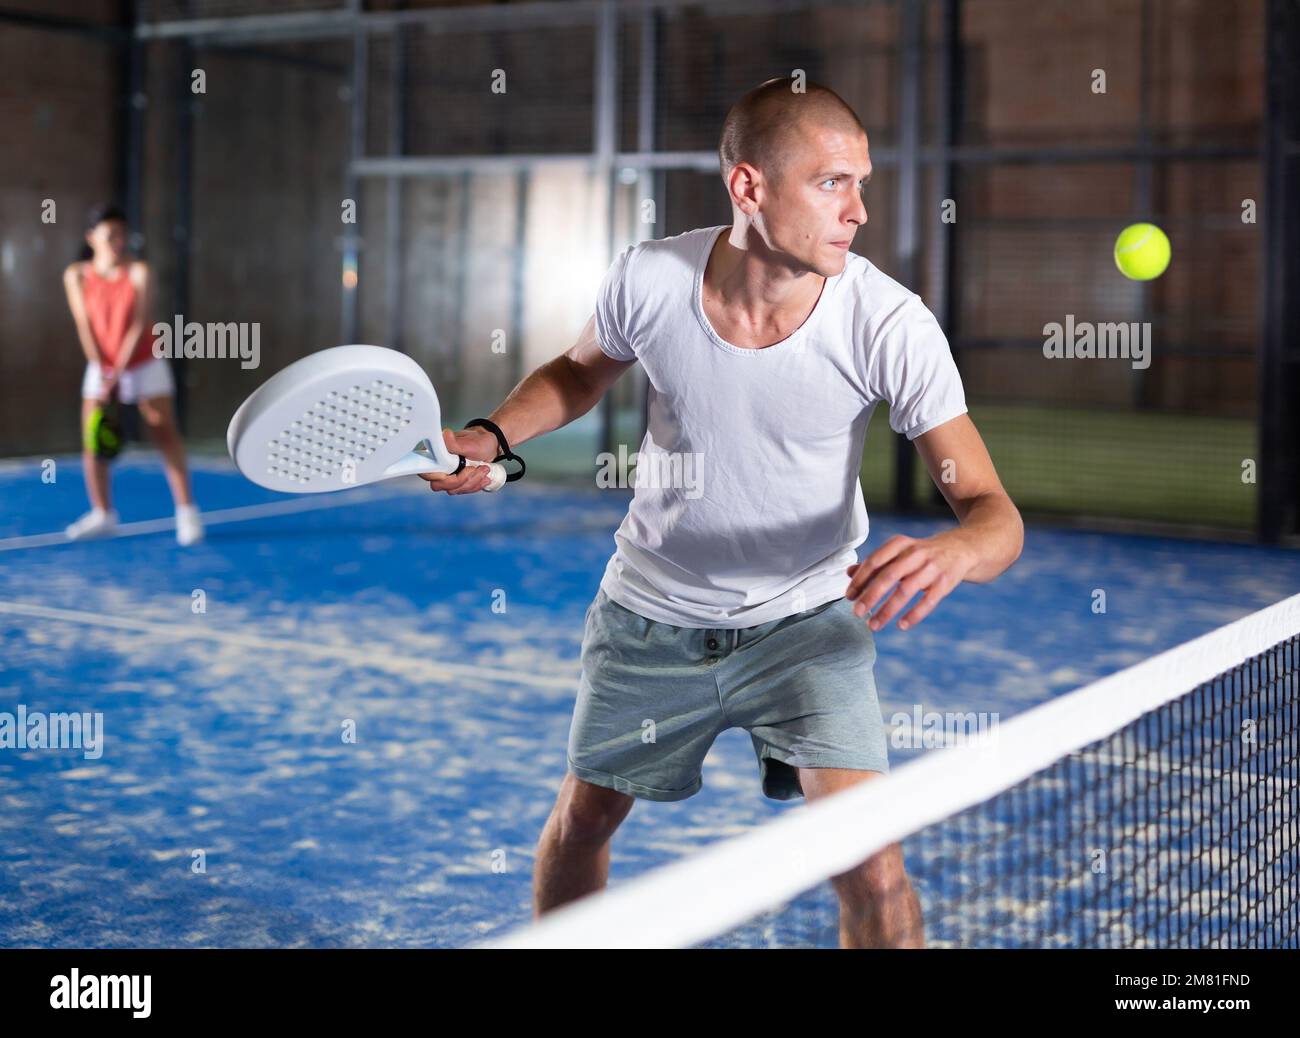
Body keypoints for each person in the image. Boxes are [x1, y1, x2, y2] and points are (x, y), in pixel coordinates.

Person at [424, 78, 1024, 947]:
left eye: (862, 181)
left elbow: (991, 508)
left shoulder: (890, 323)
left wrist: (961, 551)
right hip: (650, 616)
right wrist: (493, 432)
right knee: (583, 824)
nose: (858, 210)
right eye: (831, 182)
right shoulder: (652, 278)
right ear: (749, 187)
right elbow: (579, 370)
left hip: (808, 624)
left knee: (873, 868)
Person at [63, 204, 203, 546]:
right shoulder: (76, 276)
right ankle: (103, 514)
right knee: (92, 438)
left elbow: (139, 325)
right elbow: (84, 325)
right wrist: (102, 371)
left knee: (164, 433)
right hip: (101, 365)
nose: (117, 242)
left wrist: (117, 373)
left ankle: (186, 512)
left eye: (121, 235)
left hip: (144, 361)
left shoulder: (139, 272)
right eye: (110, 235)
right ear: (91, 238)